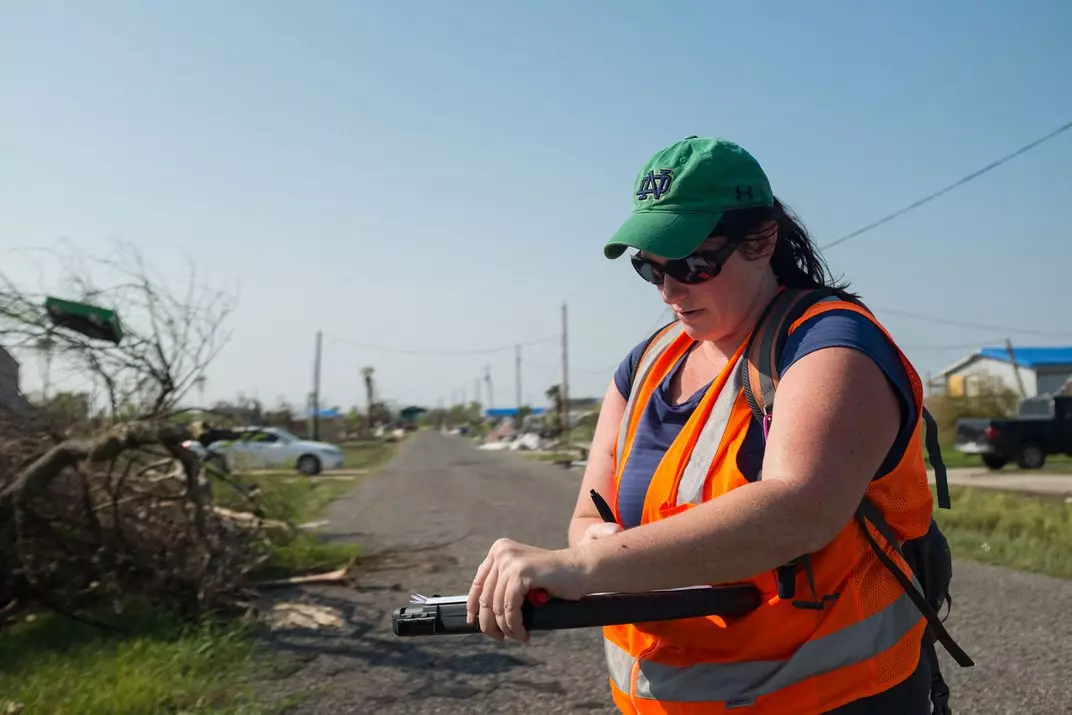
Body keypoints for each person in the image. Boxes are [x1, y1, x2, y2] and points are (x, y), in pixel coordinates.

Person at [466, 136, 941, 714]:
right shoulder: (646, 364)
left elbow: (800, 509)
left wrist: (583, 567)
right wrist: (601, 546)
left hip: (825, 700)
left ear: (762, 240)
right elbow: (592, 512)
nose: (670, 291)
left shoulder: (830, 345)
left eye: (693, 264)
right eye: (651, 269)